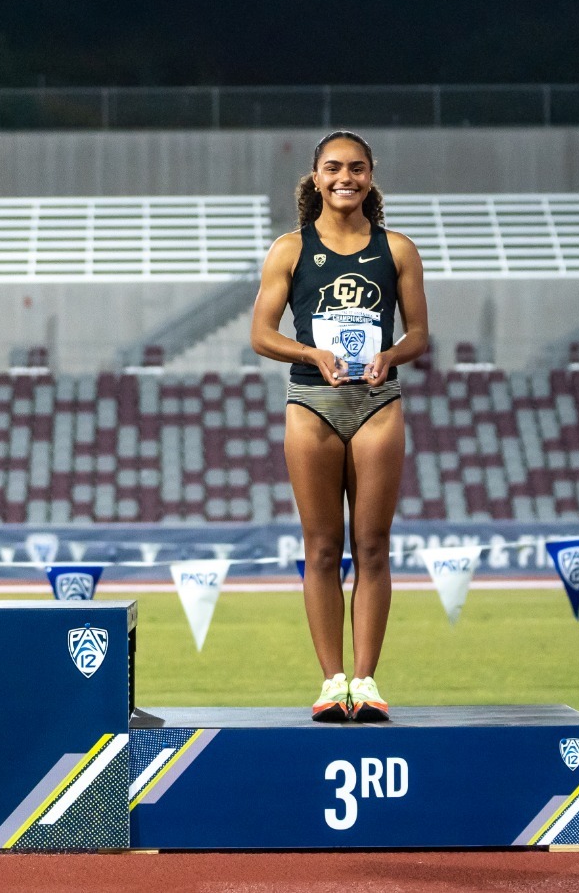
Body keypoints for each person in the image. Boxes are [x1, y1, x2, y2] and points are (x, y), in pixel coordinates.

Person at [249, 131, 428, 721]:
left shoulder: (397, 249)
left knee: (372, 547)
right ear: (316, 176)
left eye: (355, 168)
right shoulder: (290, 250)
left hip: (377, 402)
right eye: (333, 168)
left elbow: (419, 335)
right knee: (322, 548)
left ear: (371, 176)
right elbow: (262, 334)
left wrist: (391, 356)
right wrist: (312, 355)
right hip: (311, 404)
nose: (344, 177)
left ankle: (367, 682)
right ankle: (331, 683)